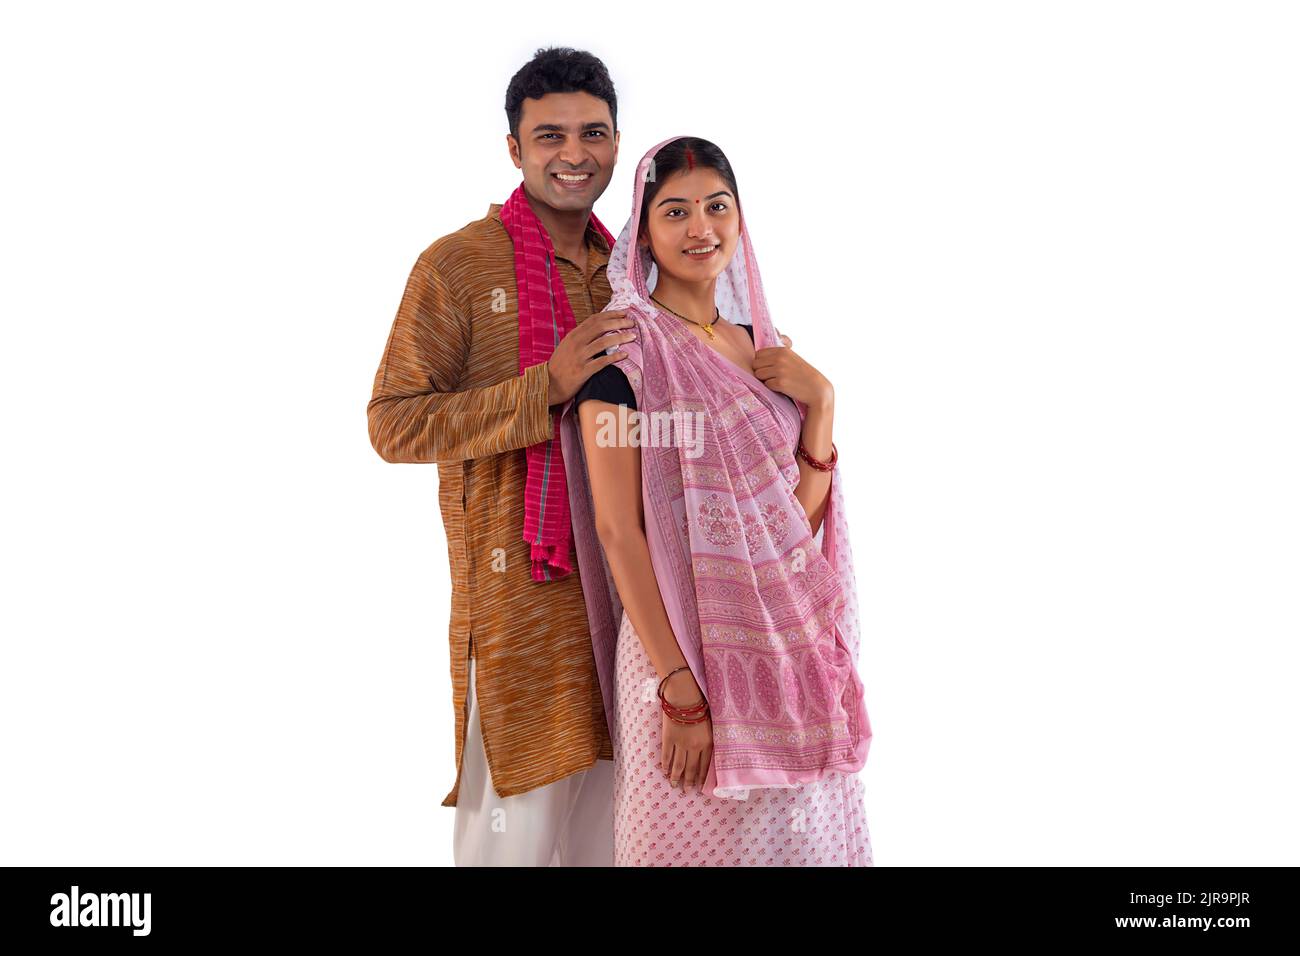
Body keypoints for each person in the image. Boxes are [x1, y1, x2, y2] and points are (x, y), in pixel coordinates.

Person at [560, 136, 874, 866]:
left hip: (783, 653)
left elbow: (792, 529)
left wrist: (821, 409)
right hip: (681, 655)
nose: (701, 228)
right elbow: (619, 530)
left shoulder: (765, 352)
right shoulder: (623, 356)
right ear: (643, 234)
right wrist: (679, 689)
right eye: (675, 211)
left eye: (716, 206)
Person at [366, 47, 637, 866]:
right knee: (508, 847)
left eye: (593, 133)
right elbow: (393, 424)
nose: (574, 153)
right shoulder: (458, 265)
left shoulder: (634, 272)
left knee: (616, 843)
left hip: (633, 608)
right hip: (523, 606)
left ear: (619, 144)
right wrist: (541, 390)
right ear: (514, 150)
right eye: (549, 135)